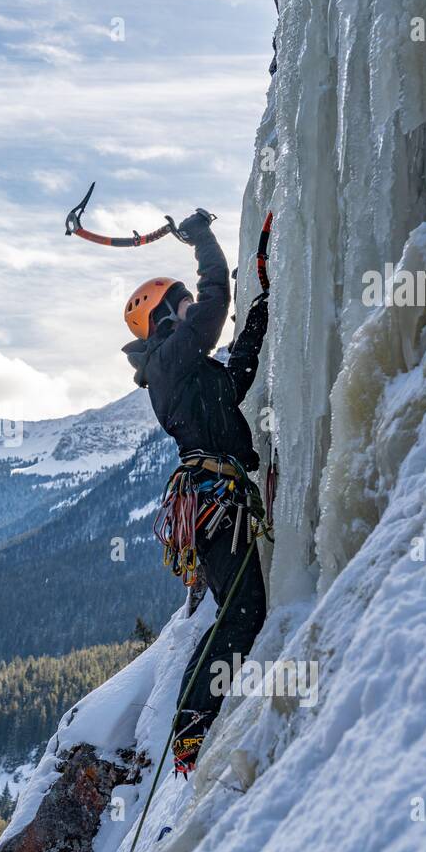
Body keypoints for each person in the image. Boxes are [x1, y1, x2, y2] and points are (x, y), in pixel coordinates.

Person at [121, 208, 271, 777]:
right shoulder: (169, 361)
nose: (190, 310)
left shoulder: (187, 371)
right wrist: (202, 239)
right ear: (164, 319)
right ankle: (190, 723)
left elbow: (236, 379)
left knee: (243, 609)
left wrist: (258, 319)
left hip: (213, 498)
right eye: (179, 304)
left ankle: (195, 719)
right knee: (243, 610)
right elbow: (213, 307)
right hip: (212, 499)